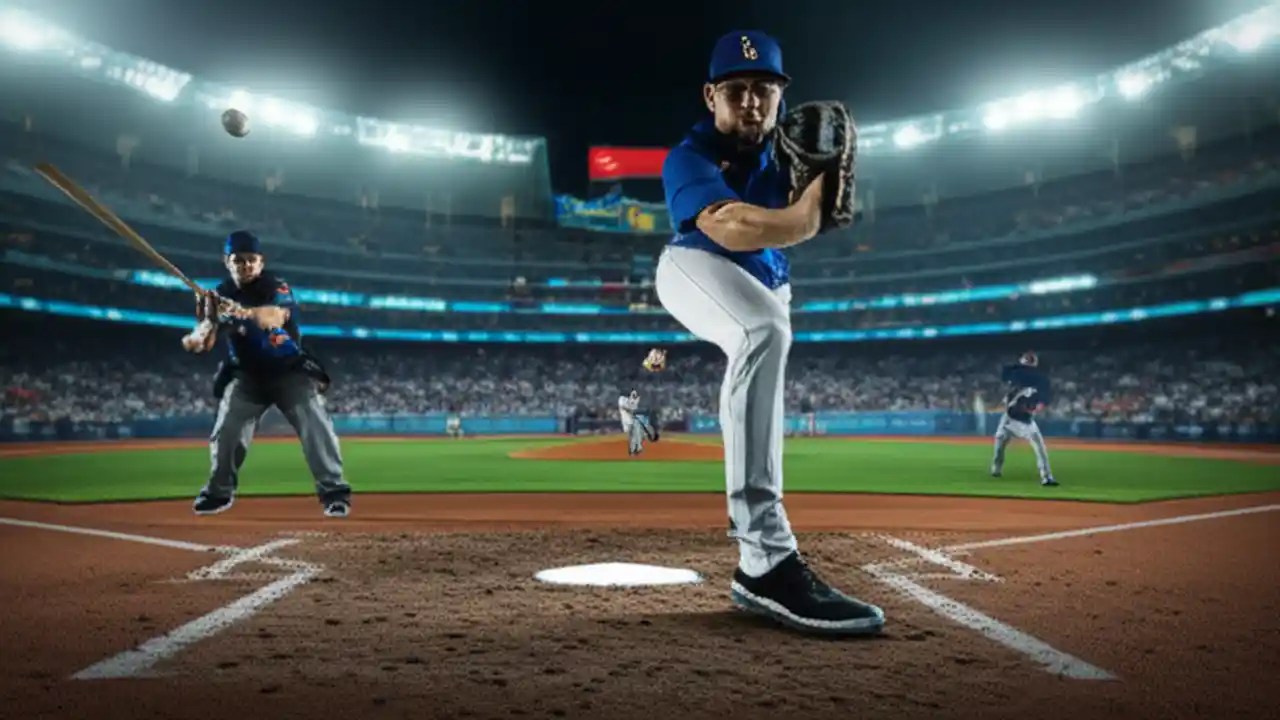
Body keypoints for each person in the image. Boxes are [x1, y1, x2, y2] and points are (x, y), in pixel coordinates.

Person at [652, 30, 884, 635]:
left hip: (770, 281)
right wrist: (808, 210)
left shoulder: (790, 151)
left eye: (764, 89)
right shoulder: (688, 156)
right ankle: (765, 559)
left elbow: (828, 216)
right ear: (711, 96)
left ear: (781, 96)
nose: (751, 101)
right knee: (762, 331)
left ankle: (759, 567)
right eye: (736, 90)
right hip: (694, 266)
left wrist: (820, 190)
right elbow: (732, 229)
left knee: (765, 341)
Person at [182, 230, 353, 517]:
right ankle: (218, 493)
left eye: (251, 260)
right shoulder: (220, 294)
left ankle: (334, 492)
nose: (245, 265)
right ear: (228, 262)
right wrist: (206, 326)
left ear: (261, 263)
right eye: (239, 260)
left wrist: (240, 312)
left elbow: (273, 316)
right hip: (248, 376)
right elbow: (200, 342)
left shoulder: (276, 287)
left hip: (289, 372)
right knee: (227, 432)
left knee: (316, 426)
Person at [991, 351, 1057, 486]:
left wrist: (1020, 363)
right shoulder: (1021, 375)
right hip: (1009, 417)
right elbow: (1007, 373)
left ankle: (1047, 477)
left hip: (1025, 420)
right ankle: (996, 469)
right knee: (1000, 446)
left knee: (1039, 447)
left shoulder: (1024, 376)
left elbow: (1044, 398)